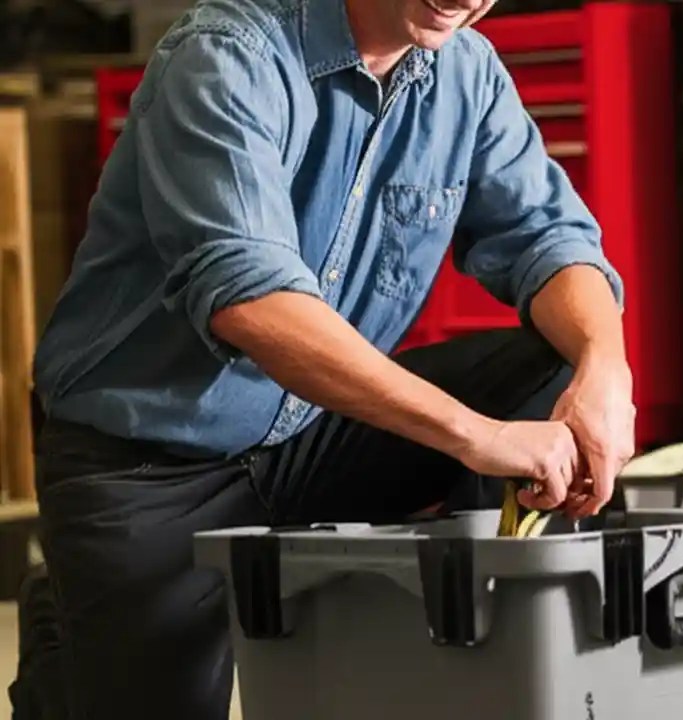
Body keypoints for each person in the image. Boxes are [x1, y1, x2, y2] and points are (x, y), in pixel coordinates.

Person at [9, 0, 637, 717]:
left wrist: (604, 371)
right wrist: (478, 436)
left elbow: (548, 238)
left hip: (307, 434)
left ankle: (467, 639)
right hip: (148, 460)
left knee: (552, 368)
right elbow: (252, 301)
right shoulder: (224, 56)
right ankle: (70, 630)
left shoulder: (469, 75)